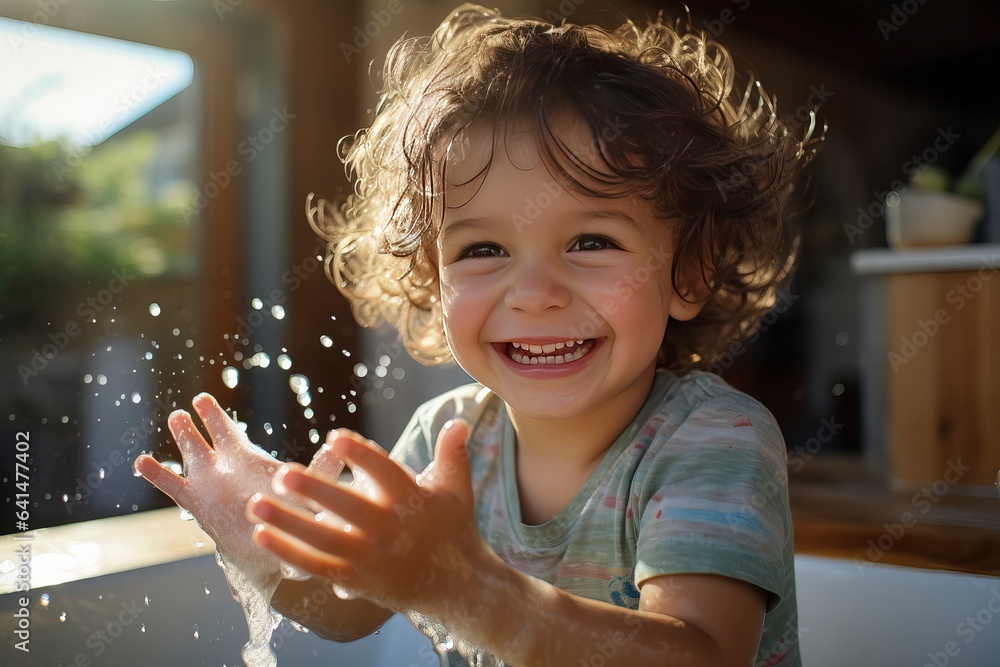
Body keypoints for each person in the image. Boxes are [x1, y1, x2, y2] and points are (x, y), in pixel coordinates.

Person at [137, 4, 823, 665]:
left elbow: (701, 655)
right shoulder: (447, 440)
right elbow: (352, 611)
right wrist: (262, 544)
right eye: (482, 250)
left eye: (591, 239)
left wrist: (465, 586)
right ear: (433, 285)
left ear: (688, 273)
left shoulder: (713, 440)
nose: (534, 294)